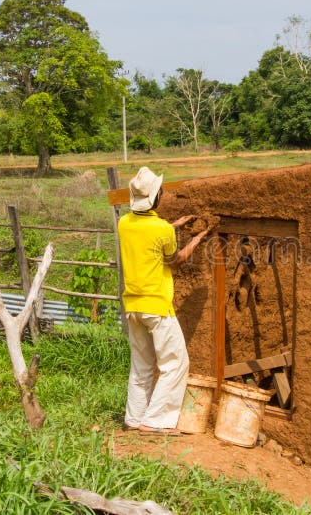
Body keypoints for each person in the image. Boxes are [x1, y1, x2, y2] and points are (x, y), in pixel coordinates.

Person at [118, 166, 209, 435]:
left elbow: (147, 235)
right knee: (175, 364)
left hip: (132, 306)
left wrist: (175, 226)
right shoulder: (161, 230)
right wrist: (195, 240)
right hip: (156, 306)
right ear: (156, 197)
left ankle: (134, 419)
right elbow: (175, 261)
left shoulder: (124, 224)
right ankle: (155, 421)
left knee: (141, 366)